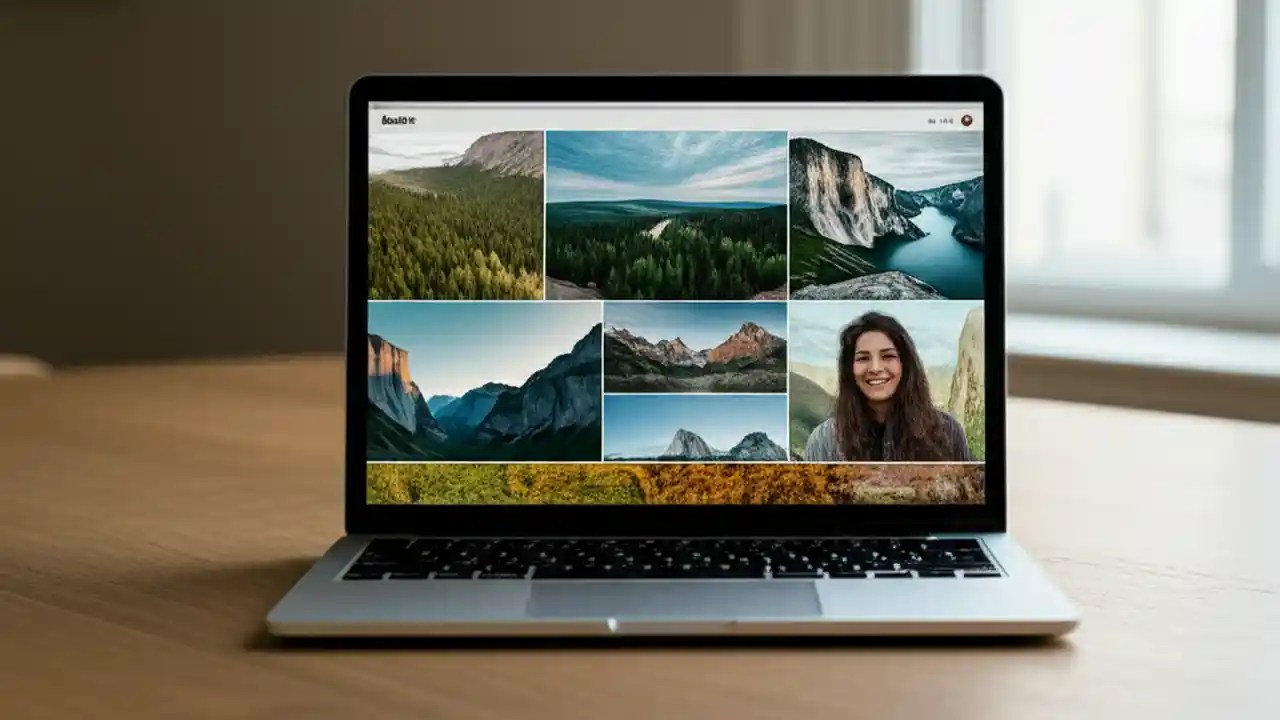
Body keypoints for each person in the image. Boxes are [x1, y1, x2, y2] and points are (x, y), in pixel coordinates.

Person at [803, 311, 972, 462]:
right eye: (863, 358)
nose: (875, 368)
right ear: (850, 369)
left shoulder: (948, 432)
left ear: (905, 363)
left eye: (888, 356)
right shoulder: (824, 441)